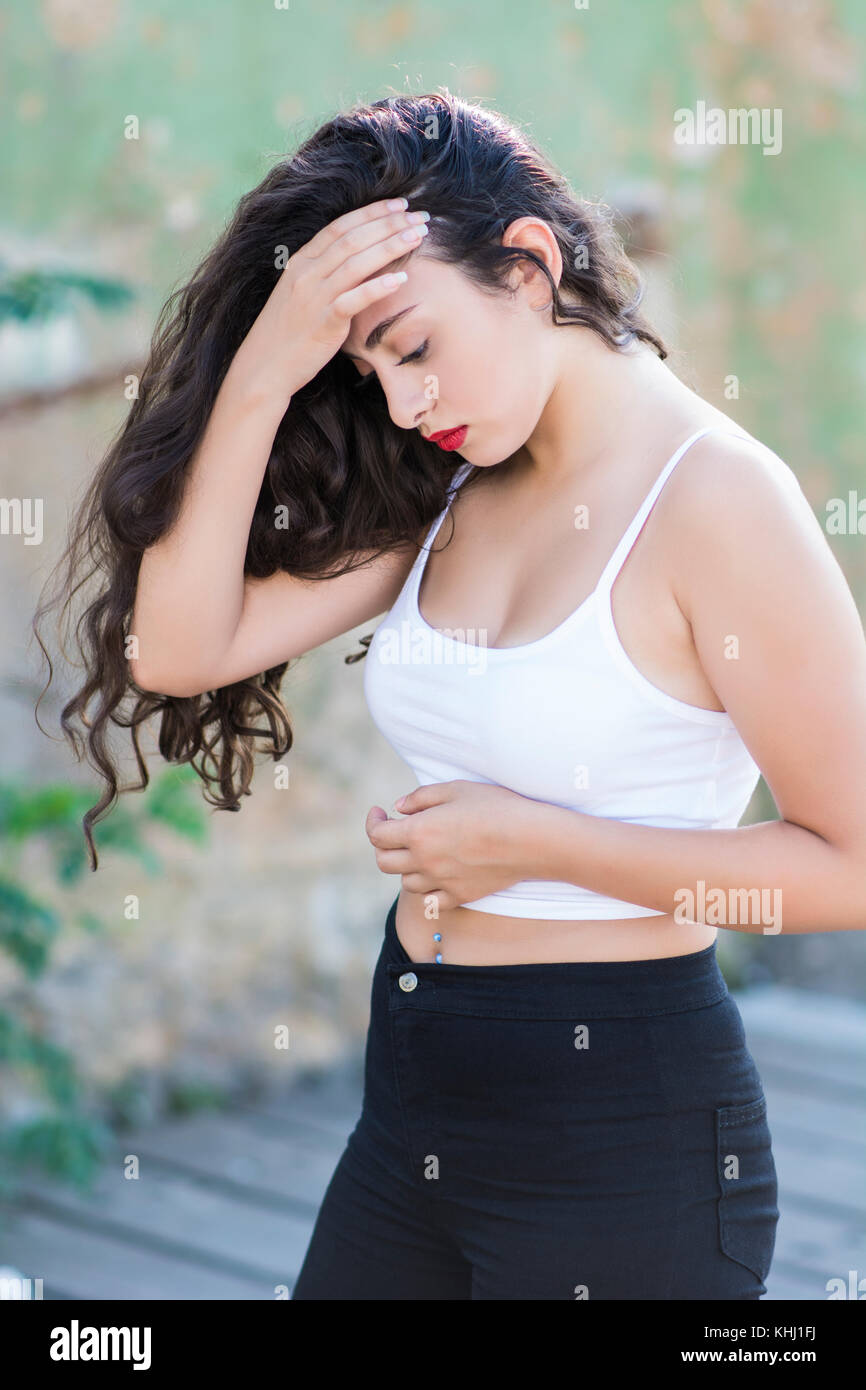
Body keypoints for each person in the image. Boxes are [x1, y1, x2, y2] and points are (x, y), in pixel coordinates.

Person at [34, 90, 866, 1300]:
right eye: (368, 371)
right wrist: (265, 368)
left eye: (412, 348)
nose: (406, 404)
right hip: (413, 1096)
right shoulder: (457, 476)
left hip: (619, 1138)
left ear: (527, 266)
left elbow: (850, 865)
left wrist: (538, 844)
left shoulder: (718, 502)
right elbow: (177, 645)